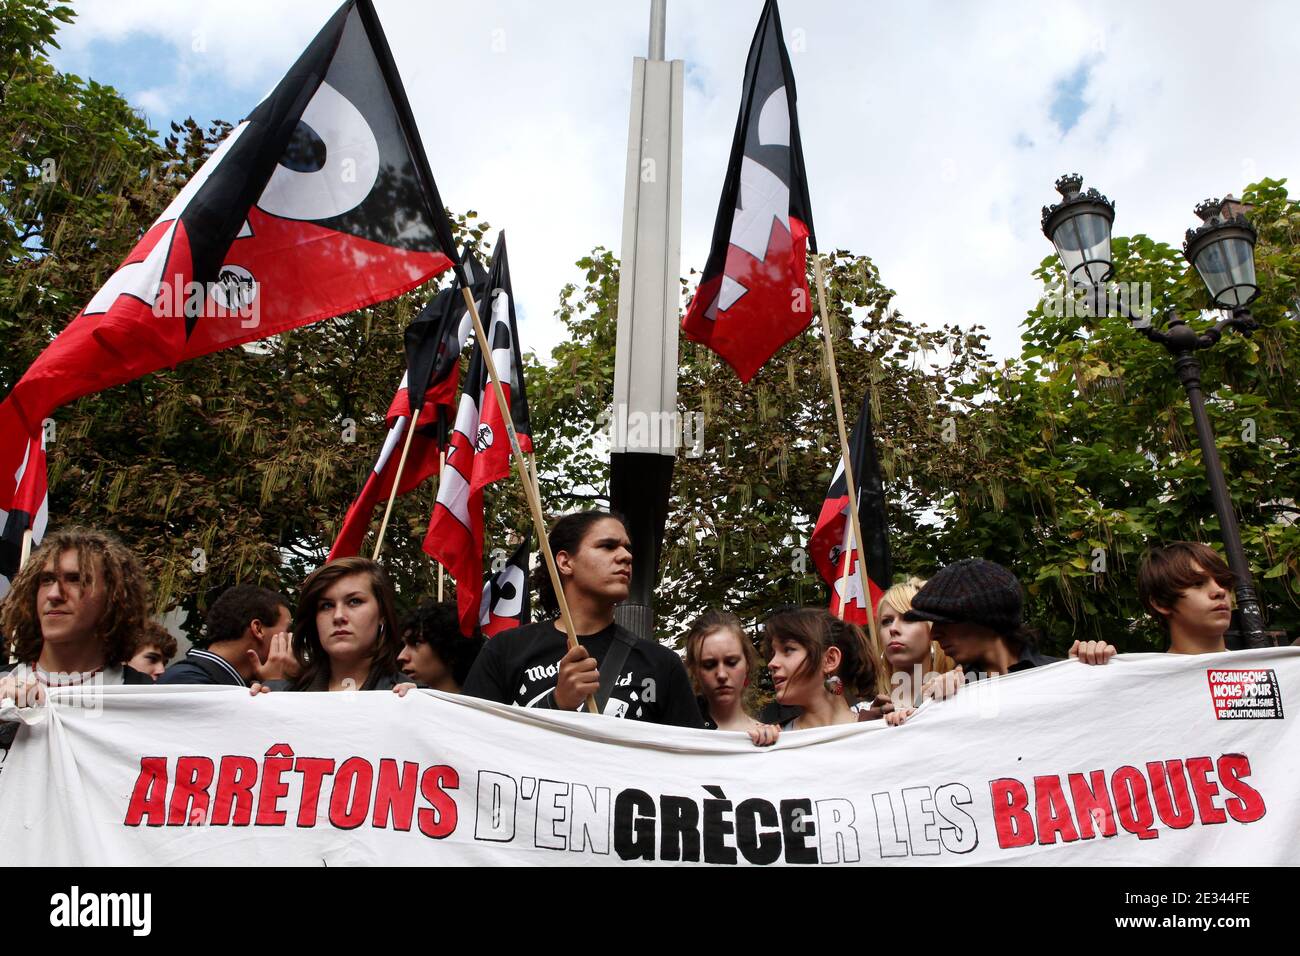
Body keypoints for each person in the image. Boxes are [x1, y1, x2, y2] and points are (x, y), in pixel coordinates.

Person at [462, 511, 703, 728]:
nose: (626, 556)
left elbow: (693, 761)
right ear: (566, 562)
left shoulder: (662, 665)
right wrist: (556, 703)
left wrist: (739, 750)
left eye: (627, 548)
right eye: (608, 546)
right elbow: (473, 740)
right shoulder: (505, 650)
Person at [1, 528, 153, 748]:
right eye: (46, 580)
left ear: (114, 596)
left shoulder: (144, 699)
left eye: (75, 579)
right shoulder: (3, 683)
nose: (54, 594)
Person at [901, 559, 1116, 699]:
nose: (934, 634)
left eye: (946, 622)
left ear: (985, 618)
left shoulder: (1065, 673)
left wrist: (1090, 674)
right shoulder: (950, 694)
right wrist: (933, 705)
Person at [268, 557, 405, 693]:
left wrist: (417, 704)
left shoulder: (413, 698)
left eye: (354, 601)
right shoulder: (280, 697)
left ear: (382, 613)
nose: (338, 616)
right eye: (327, 606)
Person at [158, 584, 292, 687]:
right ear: (258, 629)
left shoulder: (226, 682)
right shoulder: (188, 683)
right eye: (287, 630)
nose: (291, 638)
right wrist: (276, 684)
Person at [765, 607, 875, 730]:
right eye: (773, 653)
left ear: (830, 659)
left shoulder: (882, 728)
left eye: (788, 649)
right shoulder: (774, 742)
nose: (771, 663)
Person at [682, 609, 779, 745]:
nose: (721, 674)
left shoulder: (766, 737)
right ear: (695, 670)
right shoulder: (679, 733)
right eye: (709, 665)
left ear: (747, 664)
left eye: (731, 662)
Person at [1137, 541, 1237, 655]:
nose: (1220, 591)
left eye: (1223, 583)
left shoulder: (1257, 669)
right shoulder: (1140, 672)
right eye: (1198, 583)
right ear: (1161, 603)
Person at [397, 601, 484, 693]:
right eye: (404, 645)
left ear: (450, 649)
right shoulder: (408, 700)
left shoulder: (489, 704)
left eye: (416, 643)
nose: (401, 656)